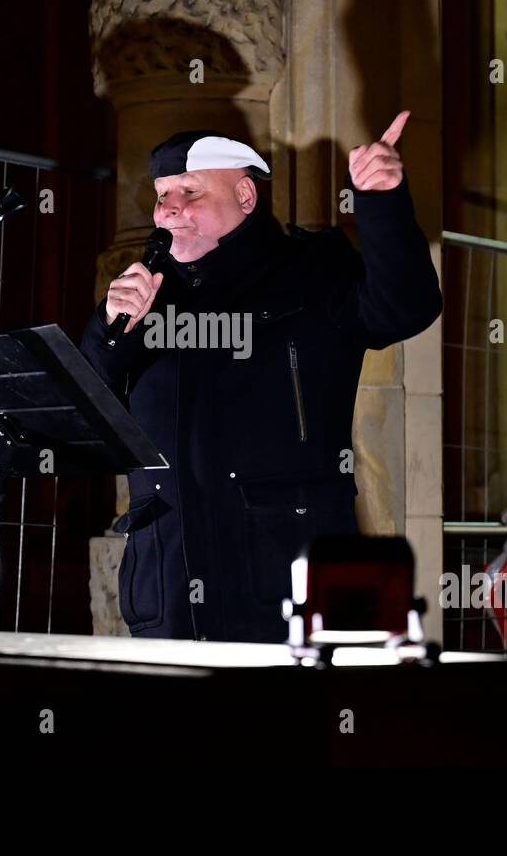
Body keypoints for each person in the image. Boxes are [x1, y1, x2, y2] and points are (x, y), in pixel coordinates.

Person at [79, 112, 442, 643]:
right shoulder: (146, 300)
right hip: (169, 592)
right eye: (161, 195)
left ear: (246, 197)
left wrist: (381, 203)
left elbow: (402, 309)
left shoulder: (309, 268)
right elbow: (86, 419)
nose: (168, 209)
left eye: (190, 192)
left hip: (284, 583)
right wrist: (110, 332)